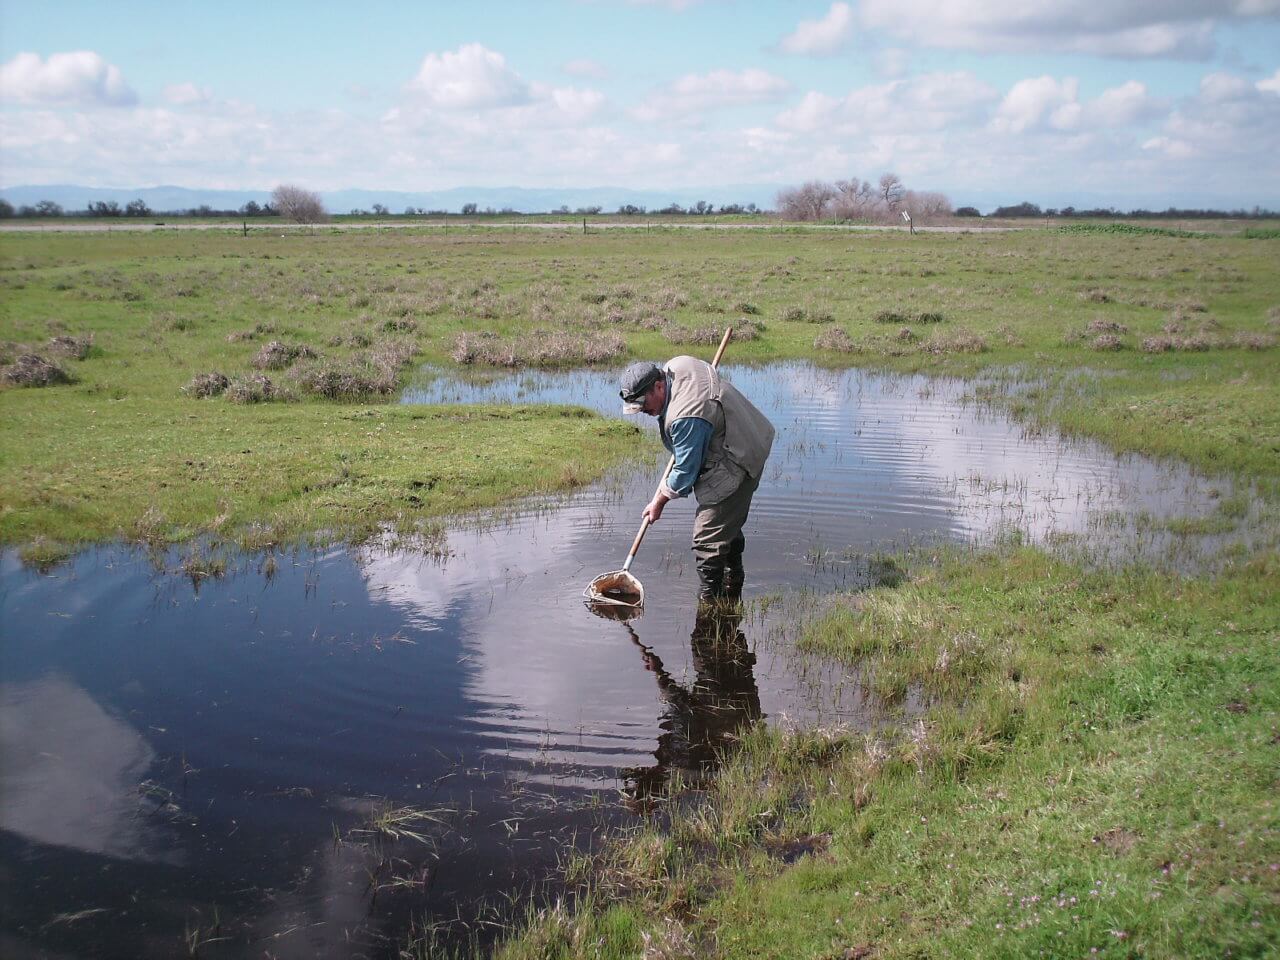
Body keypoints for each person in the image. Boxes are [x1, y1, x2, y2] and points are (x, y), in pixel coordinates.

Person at [619, 356, 774, 602]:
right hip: (749, 432)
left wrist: (658, 502)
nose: (643, 411)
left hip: (739, 456)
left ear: (658, 386)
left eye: (643, 404)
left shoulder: (686, 418)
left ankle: (710, 605)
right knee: (726, 524)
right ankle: (734, 582)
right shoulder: (677, 365)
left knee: (707, 538)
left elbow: (684, 473)